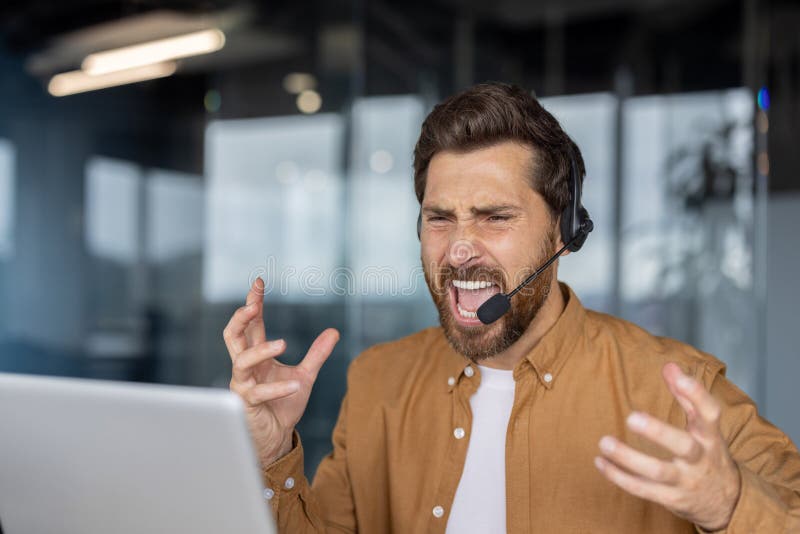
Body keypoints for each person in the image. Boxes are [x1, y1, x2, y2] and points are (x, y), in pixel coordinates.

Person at [223, 83, 800, 533]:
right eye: (439, 218)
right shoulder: (379, 381)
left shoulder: (675, 391)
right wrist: (273, 455)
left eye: (496, 217)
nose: (460, 247)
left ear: (564, 233)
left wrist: (730, 505)